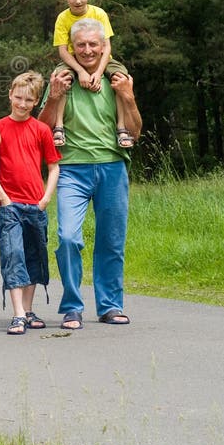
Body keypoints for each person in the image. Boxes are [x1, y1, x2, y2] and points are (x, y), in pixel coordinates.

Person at [39, 18, 141, 330]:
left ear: (103, 46)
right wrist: (54, 96)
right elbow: (41, 130)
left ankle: (110, 306)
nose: (87, 50)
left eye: (93, 44)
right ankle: (72, 307)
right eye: (80, 45)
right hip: (71, 168)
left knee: (111, 241)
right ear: (72, 47)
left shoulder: (117, 80)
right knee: (68, 238)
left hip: (112, 167)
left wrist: (128, 97)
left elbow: (135, 132)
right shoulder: (62, 79)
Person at [0, 72, 60, 335]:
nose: (22, 103)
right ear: (10, 94)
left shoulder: (41, 129)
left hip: (36, 205)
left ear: (36, 101)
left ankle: (28, 310)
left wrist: (46, 198)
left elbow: (54, 167)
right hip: (11, 207)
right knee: (13, 255)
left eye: (29, 100)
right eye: (18, 97)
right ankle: (17, 313)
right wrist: (3, 198)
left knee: (34, 256)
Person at [52, 0, 134, 150]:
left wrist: (98, 73)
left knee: (121, 78)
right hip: (74, 59)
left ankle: (121, 128)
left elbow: (107, 46)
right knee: (60, 78)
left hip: (102, 58)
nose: (78, 1)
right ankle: (59, 126)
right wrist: (80, 71)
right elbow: (63, 51)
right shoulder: (62, 18)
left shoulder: (99, 13)